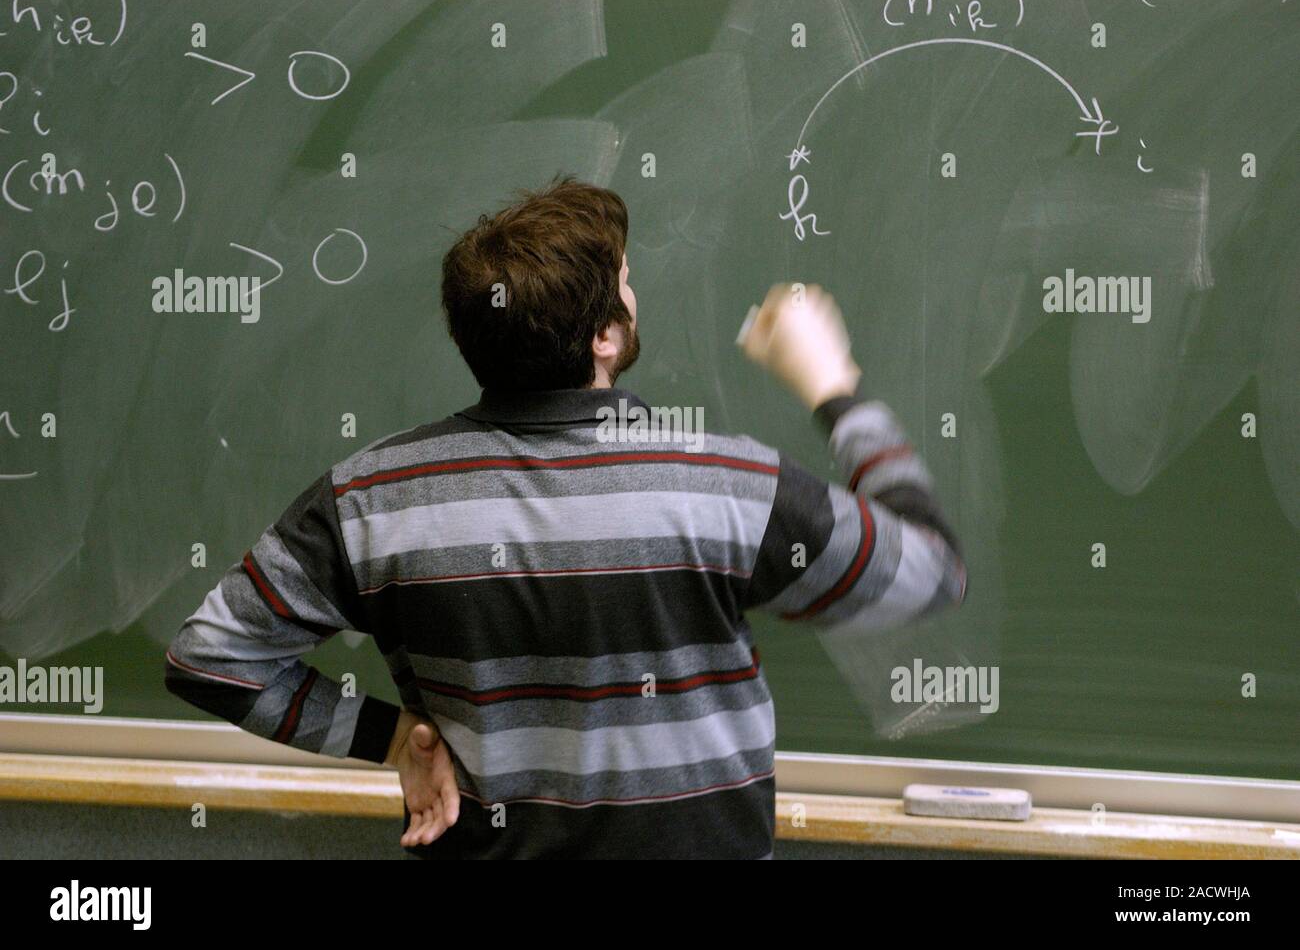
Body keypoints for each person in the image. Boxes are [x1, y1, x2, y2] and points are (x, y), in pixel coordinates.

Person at [164, 176, 966, 859]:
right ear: (608, 336)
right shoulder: (723, 484)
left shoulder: (370, 498)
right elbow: (929, 573)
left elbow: (209, 658)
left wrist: (393, 739)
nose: (633, 291)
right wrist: (833, 388)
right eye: (625, 280)